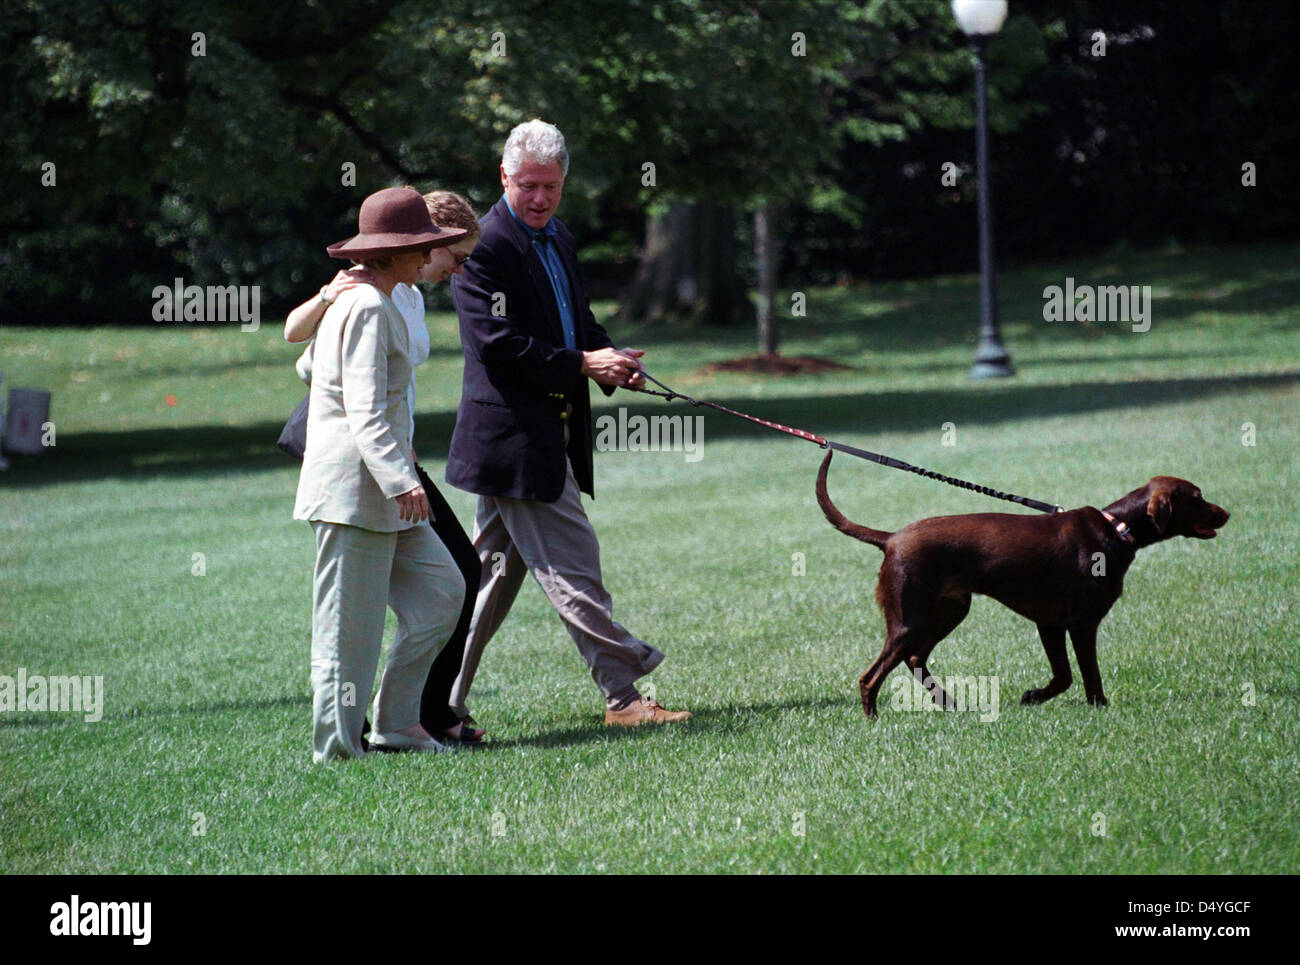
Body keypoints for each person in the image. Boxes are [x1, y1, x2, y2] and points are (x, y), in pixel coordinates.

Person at [446, 119, 691, 726]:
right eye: (527, 185)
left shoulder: (558, 237)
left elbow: (577, 322)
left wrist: (613, 366)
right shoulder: (485, 247)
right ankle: (625, 696)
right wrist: (583, 362)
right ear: (502, 178)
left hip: (545, 437)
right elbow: (497, 345)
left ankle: (430, 705)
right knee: (574, 566)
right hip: (515, 444)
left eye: (550, 186)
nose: (539, 198)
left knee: (481, 589)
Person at [286, 190, 486, 746]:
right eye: (421, 246)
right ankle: (337, 751)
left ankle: (398, 725)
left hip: (388, 485)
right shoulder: (366, 305)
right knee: (346, 634)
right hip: (356, 490)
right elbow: (363, 411)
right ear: (393, 251)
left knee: (444, 591)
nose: (430, 256)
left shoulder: (388, 297)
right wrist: (404, 479)